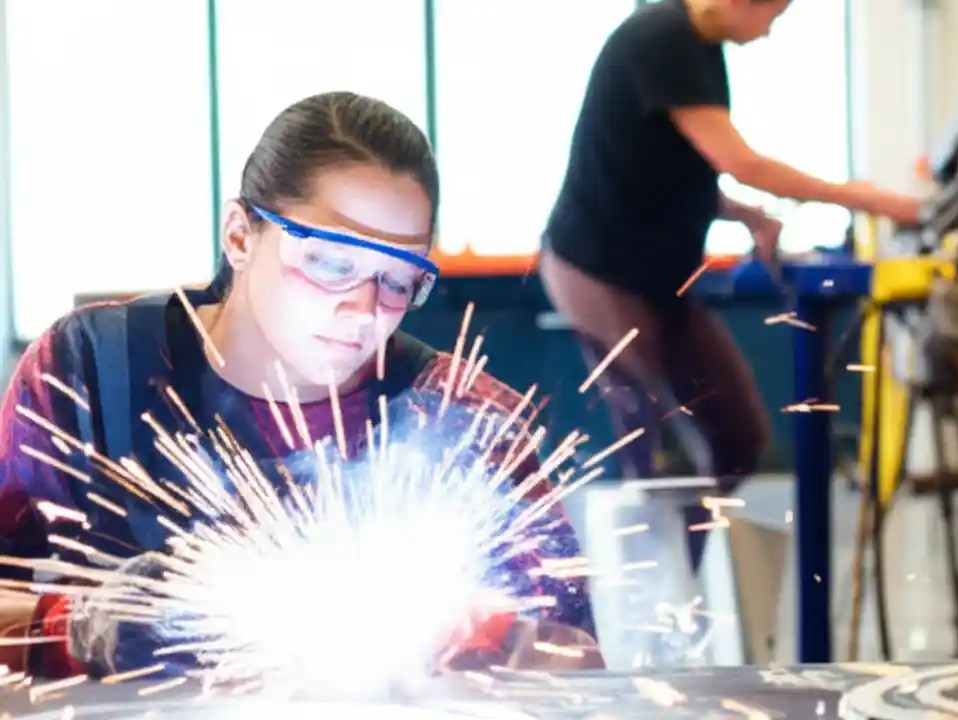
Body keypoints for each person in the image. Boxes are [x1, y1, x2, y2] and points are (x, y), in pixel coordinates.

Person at [0, 92, 598, 679]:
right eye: (332, 262)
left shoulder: (459, 415)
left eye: (398, 279)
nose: (364, 309)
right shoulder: (87, 374)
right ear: (239, 235)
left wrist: (481, 636)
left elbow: (579, 657)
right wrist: (85, 628)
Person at [540, 0, 923, 569]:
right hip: (598, 274)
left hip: (658, 282)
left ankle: (688, 573)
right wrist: (876, 201)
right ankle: (645, 597)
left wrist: (747, 216)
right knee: (653, 453)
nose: (769, 32)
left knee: (737, 434)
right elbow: (741, 161)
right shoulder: (661, 37)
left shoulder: (697, 47)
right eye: (775, 15)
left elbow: (666, 169)